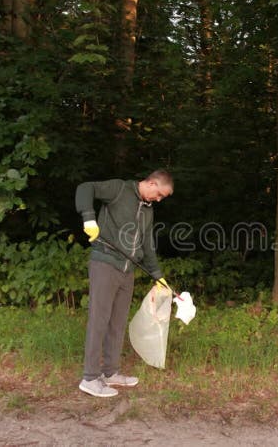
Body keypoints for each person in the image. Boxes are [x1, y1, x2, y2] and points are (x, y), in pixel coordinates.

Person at [74, 169, 174, 397]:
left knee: (117, 323)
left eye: (162, 198)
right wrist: (89, 218)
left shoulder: (148, 211)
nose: (158, 200)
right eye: (159, 194)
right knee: (99, 320)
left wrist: (158, 275)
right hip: (105, 264)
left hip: (127, 271)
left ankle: (110, 372)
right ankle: (89, 378)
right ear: (150, 182)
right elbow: (85, 188)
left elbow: (147, 244)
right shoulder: (119, 189)